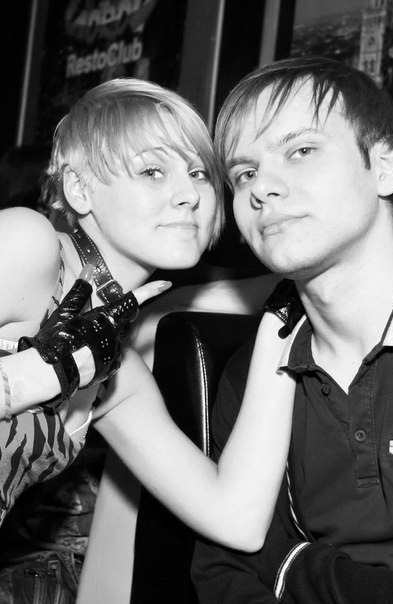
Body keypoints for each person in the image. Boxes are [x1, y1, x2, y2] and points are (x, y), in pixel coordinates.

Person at [0, 78, 296, 601]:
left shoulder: (114, 368)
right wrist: (28, 378)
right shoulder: (28, 243)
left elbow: (236, 518)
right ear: (80, 189)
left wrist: (288, 314)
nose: (190, 194)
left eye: (199, 174)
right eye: (152, 171)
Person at [191, 55, 393, 603]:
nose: (263, 188)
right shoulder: (252, 378)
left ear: (386, 166)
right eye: (244, 174)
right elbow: (221, 577)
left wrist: (289, 569)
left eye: (301, 151)